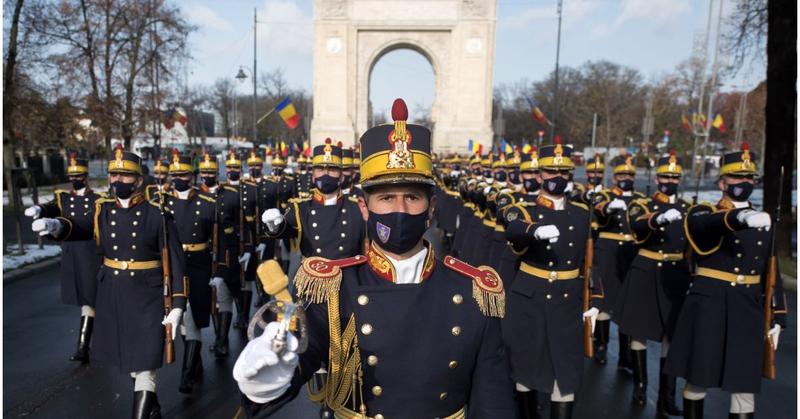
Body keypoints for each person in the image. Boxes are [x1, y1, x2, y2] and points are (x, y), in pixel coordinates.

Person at [235, 98, 514, 418]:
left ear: (432, 208)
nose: (400, 210)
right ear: (365, 207)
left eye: (412, 197)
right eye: (385, 198)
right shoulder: (336, 288)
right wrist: (267, 381)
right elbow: (302, 359)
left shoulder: (474, 291)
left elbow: (494, 402)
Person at [32, 146, 187, 418]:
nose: (117, 181)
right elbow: (80, 227)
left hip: (147, 297)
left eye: (124, 176)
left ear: (138, 181)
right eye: (113, 175)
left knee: (146, 361)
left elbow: (175, 262)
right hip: (112, 294)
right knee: (131, 361)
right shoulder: (102, 210)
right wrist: (57, 227)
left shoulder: (157, 214)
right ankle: (152, 406)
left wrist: (177, 305)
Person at [665, 144, 788, 419]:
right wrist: (740, 217)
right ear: (722, 182)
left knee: (744, 384)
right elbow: (705, 226)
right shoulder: (703, 212)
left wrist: (777, 317)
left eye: (749, 179)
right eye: (737, 178)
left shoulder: (764, 218)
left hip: (748, 305)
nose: (744, 183)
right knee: (698, 376)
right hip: (710, 303)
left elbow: (771, 271)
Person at [502, 139, 601, 419]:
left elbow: (591, 263)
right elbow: (513, 229)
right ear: (540, 174)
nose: (557, 178)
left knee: (565, 374)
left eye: (563, 173)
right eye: (550, 172)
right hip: (530, 301)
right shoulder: (525, 210)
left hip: (567, 302)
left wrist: (594, 299)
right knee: (525, 372)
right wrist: (533, 231)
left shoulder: (581, 216)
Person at [613, 151, 689, 414]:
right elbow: (636, 224)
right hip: (646, 268)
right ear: (657, 179)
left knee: (672, 335)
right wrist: (657, 219)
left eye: (674, 177)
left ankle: (668, 396)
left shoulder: (687, 208)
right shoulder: (643, 205)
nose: (670, 181)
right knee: (639, 330)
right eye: (666, 176)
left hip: (674, 273)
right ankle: (641, 385)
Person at [25, 153, 104, 362]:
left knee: (90, 299)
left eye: (78, 175)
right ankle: (86, 345)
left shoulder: (96, 200)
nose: (74, 179)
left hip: (89, 253)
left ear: (85, 176)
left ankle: (83, 347)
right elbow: (52, 206)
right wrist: (39, 209)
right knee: (83, 299)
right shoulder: (64, 197)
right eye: (72, 175)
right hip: (71, 253)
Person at [162, 150, 217, 394]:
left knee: (193, 316)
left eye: (182, 174)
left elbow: (217, 240)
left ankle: (187, 374)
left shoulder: (206, 204)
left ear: (192, 177)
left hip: (198, 263)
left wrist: (218, 269)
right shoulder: (162, 203)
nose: (178, 179)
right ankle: (193, 364)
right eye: (174, 175)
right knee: (181, 317)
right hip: (174, 264)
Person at [262, 138, 365, 261]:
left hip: (347, 275)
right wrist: (274, 225)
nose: (326, 173)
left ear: (342, 177)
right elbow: (285, 230)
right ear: (313, 176)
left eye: (332, 169)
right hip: (313, 276)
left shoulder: (356, 207)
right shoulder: (301, 207)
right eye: (320, 169)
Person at [590, 154, 645, 371]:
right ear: (614, 178)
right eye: (622, 174)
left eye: (630, 174)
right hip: (608, 253)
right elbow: (597, 207)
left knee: (627, 304)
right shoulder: (604, 195)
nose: (626, 178)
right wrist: (609, 206)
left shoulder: (641, 199)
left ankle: (626, 355)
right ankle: (601, 344)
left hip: (631, 252)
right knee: (605, 300)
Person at [208, 150, 252, 358]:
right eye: (204, 172)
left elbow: (243, 226)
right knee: (210, 301)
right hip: (204, 256)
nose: (207, 175)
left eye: (211, 172)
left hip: (228, 253)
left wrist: (249, 248)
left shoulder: (233, 195)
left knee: (225, 294)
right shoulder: (200, 198)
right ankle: (219, 336)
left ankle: (222, 340)